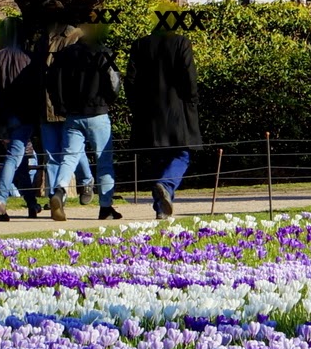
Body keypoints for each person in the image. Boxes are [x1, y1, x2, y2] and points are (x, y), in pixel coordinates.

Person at [126, 18, 202, 219]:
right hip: (177, 108)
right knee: (181, 155)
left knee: (158, 159)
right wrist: (191, 101)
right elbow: (189, 76)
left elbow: (131, 80)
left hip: (148, 112)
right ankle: (166, 186)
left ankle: (161, 209)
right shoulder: (180, 42)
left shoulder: (140, 44)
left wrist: (136, 107)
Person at [46, 21, 121, 221]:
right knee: (103, 161)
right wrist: (109, 100)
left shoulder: (64, 55)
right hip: (97, 113)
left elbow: (52, 82)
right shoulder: (103, 52)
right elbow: (114, 82)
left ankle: (60, 191)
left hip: (72, 115)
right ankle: (105, 207)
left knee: (69, 157)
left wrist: (61, 106)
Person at [0, 18, 42, 221]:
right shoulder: (29, 58)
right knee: (15, 157)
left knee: (19, 159)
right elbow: (36, 91)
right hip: (23, 115)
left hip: (1, 116)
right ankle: (1, 200)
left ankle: (32, 203)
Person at [26, 5, 81, 221]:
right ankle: (65, 192)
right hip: (66, 106)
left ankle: (55, 195)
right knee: (71, 152)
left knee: (53, 157)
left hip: (46, 106)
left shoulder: (41, 41)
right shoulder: (75, 37)